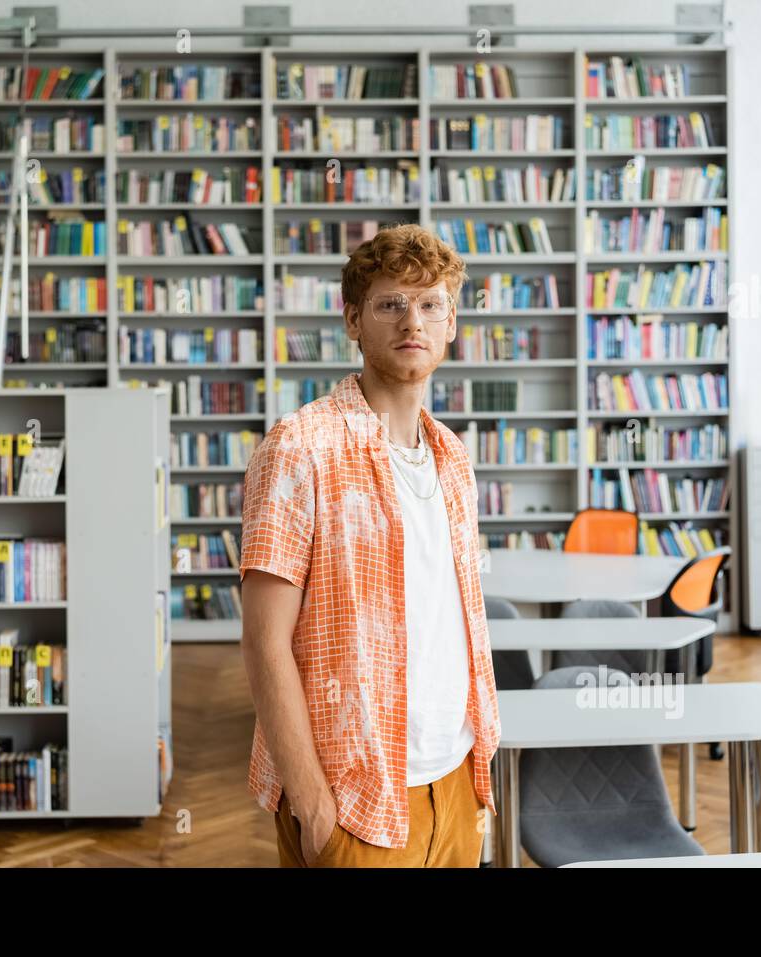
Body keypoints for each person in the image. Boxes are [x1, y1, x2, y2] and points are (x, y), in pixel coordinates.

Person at [239, 223, 501, 867]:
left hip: (456, 784)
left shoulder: (454, 459)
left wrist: (474, 770)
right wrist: (313, 803)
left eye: (430, 304)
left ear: (451, 324)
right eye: (390, 303)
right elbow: (263, 640)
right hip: (352, 793)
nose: (412, 320)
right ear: (353, 319)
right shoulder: (300, 447)